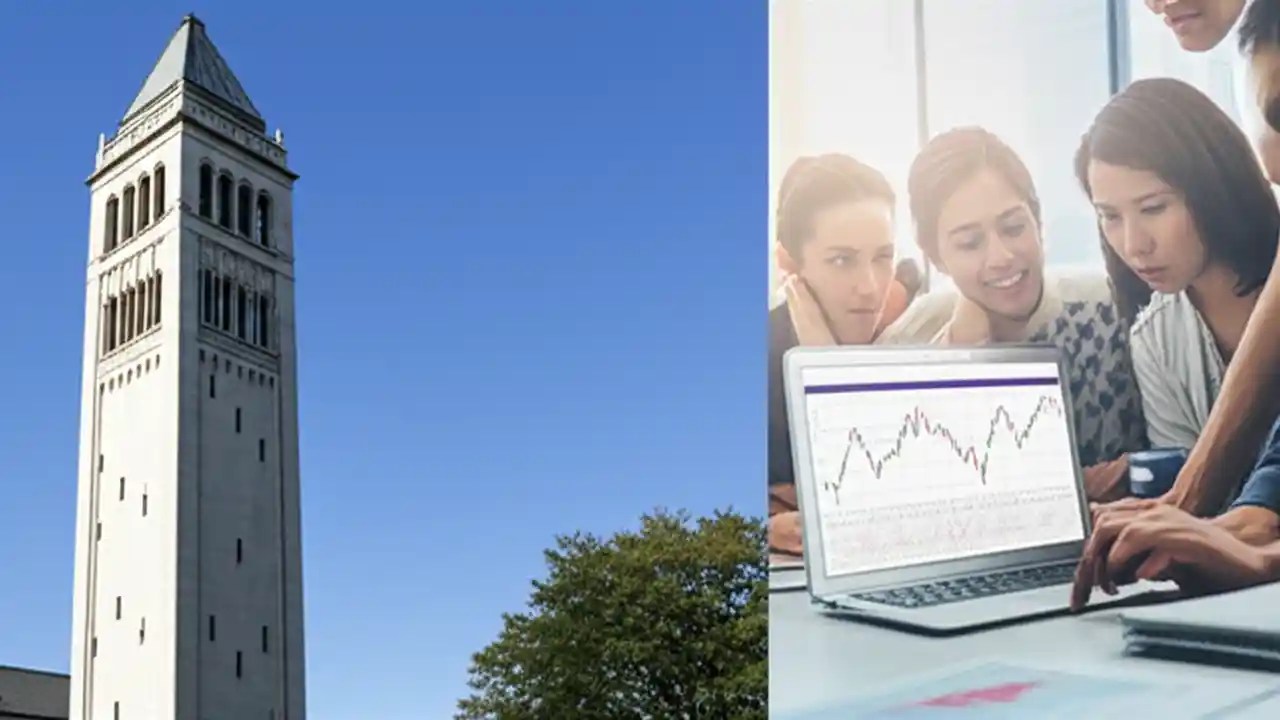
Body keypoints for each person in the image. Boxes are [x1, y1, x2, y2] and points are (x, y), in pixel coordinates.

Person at [1072, 0, 1280, 609]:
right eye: (1110, 218)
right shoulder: (1157, 334)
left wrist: (1246, 531)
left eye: (1154, 207)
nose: (1134, 244)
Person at [879, 127, 1147, 501]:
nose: (1001, 256)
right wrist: (960, 350)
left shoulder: (1116, 308)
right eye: (970, 243)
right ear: (936, 255)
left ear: (1038, 223)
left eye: (1013, 227)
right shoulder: (912, 339)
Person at [767, 153, 899, 555]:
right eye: (842, 260)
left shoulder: (906, 346)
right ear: (789, 265)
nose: (871, 287)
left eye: (883, 257)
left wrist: (826, 367)